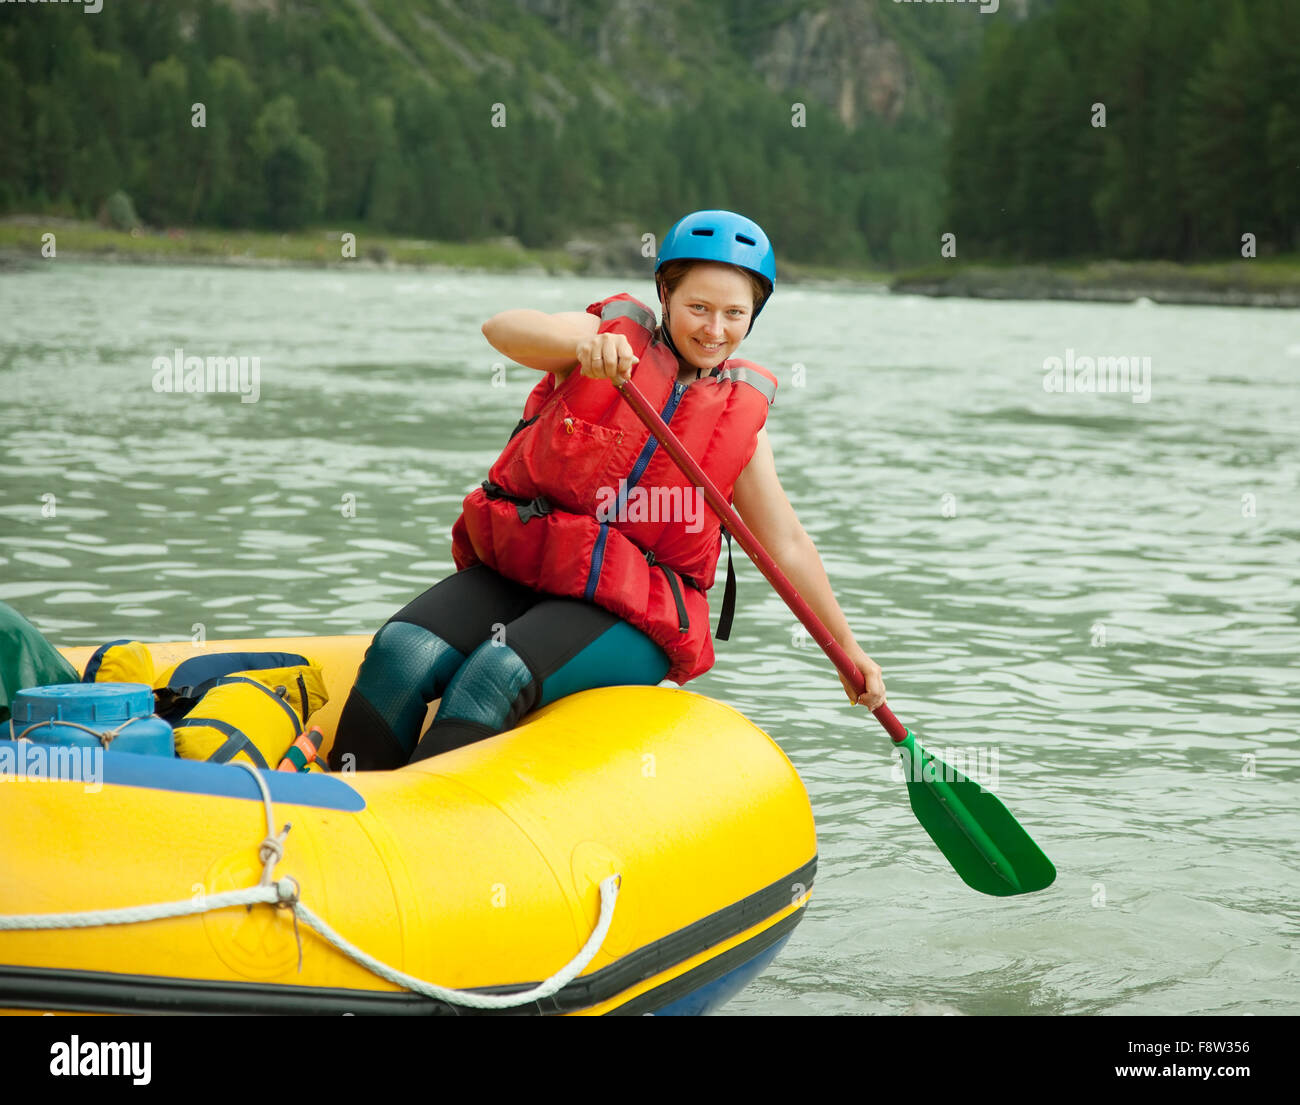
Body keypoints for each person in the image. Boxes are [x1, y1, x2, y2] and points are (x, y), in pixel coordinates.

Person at [327, 210, 886, 772]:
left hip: (636, 613)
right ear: (665, 293)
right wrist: (584, 349)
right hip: (533, 568)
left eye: (734, 314)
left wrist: (845, 650)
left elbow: (785, 544)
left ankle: (427, 824)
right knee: (400, 653)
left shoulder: (741, 426)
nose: (715, 330)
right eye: (699, 307)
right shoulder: (605, 338)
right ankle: (342, 804)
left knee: (493, 674)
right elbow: (502, 328)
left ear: (753, 317)